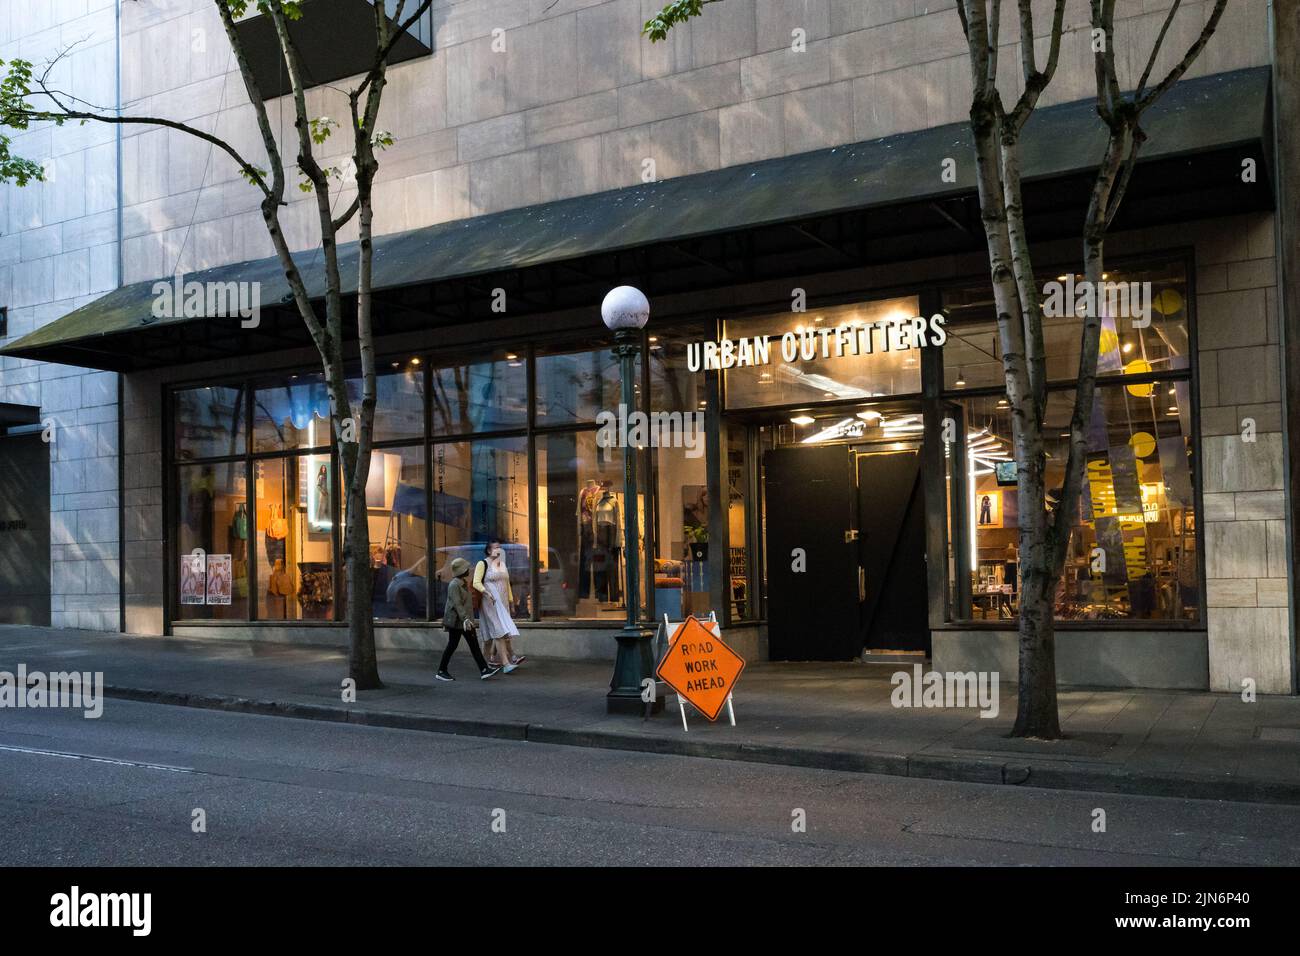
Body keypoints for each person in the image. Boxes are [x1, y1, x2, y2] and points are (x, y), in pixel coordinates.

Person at [436, 558, 499, 682]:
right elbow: (457, 604)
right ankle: (441, 671)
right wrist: (465, 619)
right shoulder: (454, 585)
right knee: (452, 646)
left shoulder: (463, 583)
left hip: (465, 621)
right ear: (461, 571)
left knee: (473, 645)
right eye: (466, 569)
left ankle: (484, 669)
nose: (468, 570)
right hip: (458, 622)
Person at [474, 541, 522, 671]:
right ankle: (506, 664)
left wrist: (511, 603)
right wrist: (486, 592)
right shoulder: (482, 564)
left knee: (490, 638)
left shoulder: (503, 565)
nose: (499, 549)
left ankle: (484, 664)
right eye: (496, 548)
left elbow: (507, 585)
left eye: (500, 547)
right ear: (489, 551)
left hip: (503, 604)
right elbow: (476, 582)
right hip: (489, 603)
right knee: (499, 632)